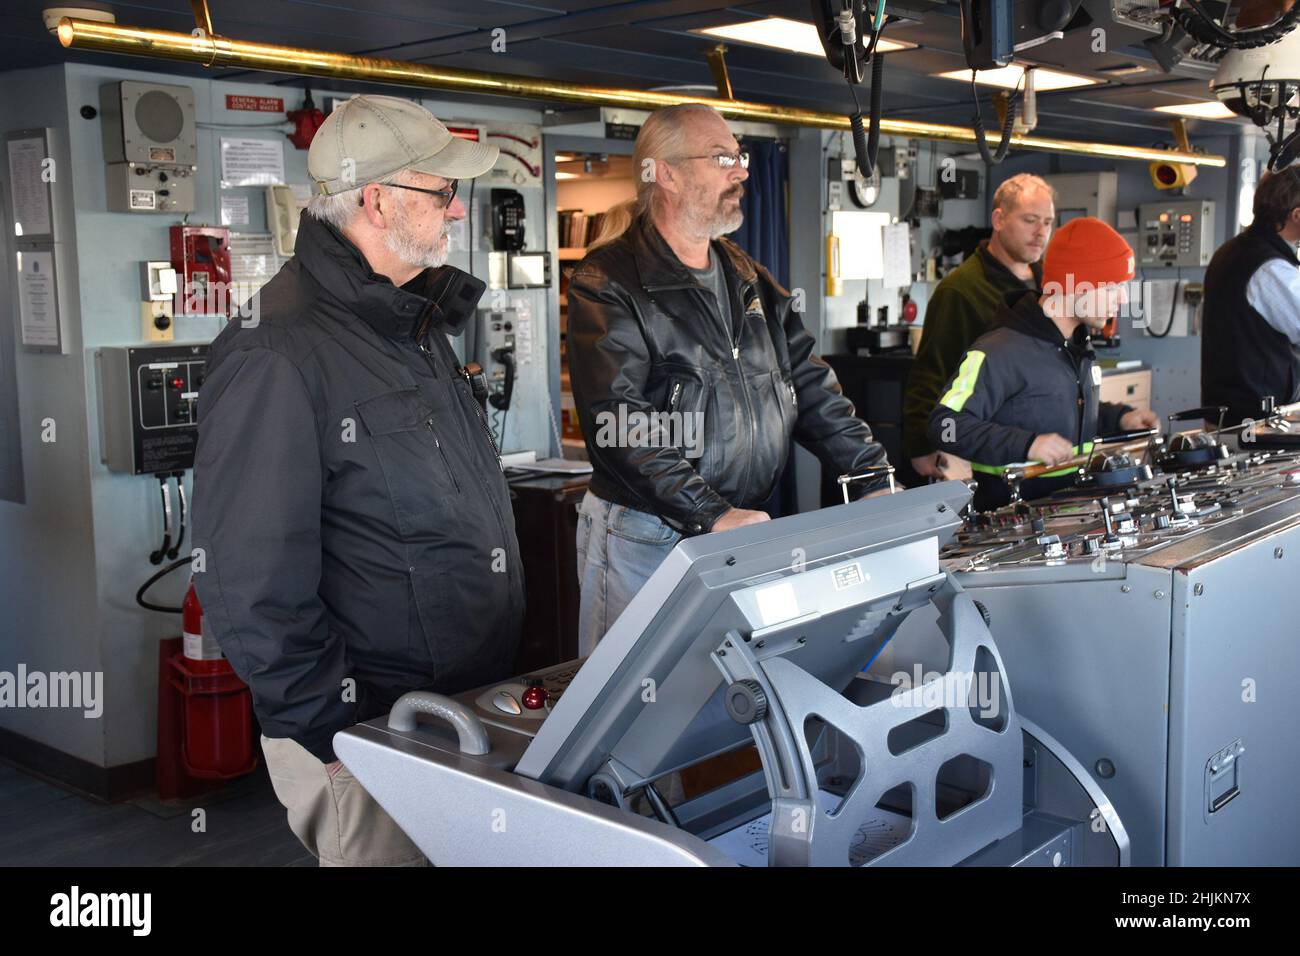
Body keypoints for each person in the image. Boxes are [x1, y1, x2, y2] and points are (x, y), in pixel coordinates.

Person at [191, 95, 524, 866]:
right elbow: (249, 583)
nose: (455, 214)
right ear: (377, 200)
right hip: (369, 734)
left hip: (453, 714)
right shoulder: (276, 351)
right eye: (442, 195)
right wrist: (332, 731)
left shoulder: (411, 325)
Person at [566, 103, 890, 653]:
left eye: (740, 156)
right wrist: (710, 513)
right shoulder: (608, 280)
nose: (741, 170)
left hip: (736, 529)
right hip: (650, 533)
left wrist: (871, 477)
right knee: (629, 704)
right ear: (664, 173)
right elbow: (620, 423)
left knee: (717, 695)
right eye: (722, 158)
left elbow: (808, 386)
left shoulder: (745, 273)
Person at [928, 217, 1160, 511]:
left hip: (1069, 515)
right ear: (1076, 285)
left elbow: (1057, 411)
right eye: (1113, 286)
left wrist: (1120, 419)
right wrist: (1028, 444)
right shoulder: (999, 351)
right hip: (1011, 526)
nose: (1123, 299)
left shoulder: (1077, 346)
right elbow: (944, 424)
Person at [902, 174, 1056, 479]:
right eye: (1030, 220)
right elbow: (932, 371)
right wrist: (921, 448)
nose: (1041, 233)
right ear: (998, 219)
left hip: (1041, 454)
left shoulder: (1050, 284)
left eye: (1048, 223)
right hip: (985, 455)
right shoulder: (962, 290)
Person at [1202, 167, 1300, 427]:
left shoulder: (1235, 250)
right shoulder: (1270, 269)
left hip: (1232, 416)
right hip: (1254, 423)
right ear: (1297, 215)